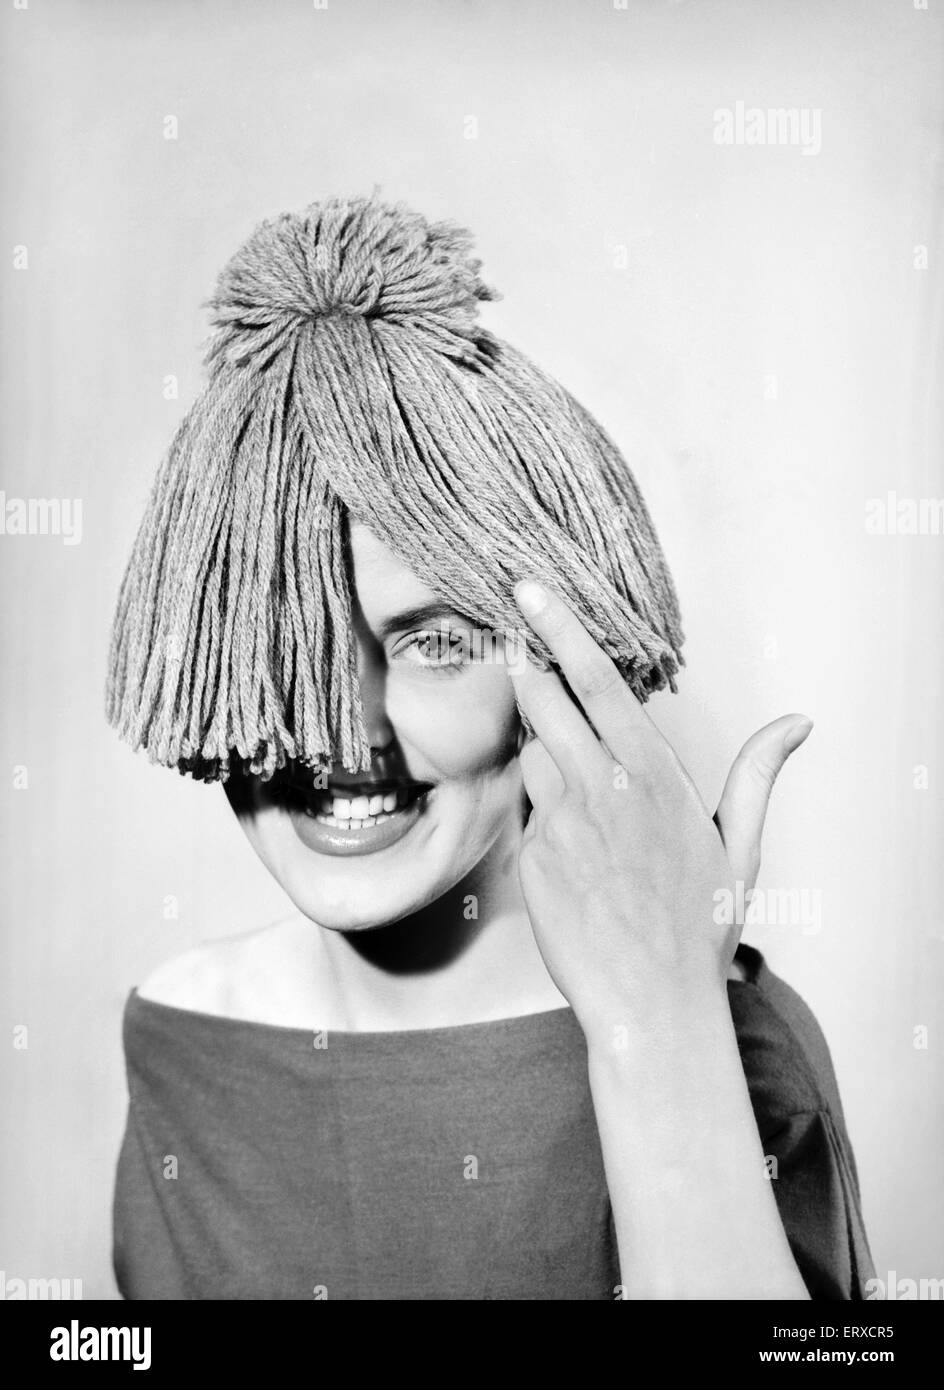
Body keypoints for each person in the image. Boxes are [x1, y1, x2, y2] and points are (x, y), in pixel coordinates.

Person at [108, 194, 874, 1300]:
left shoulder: (740, 1047)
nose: (341, 732)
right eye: (287, 644)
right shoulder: (182, 1035)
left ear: (562, 663)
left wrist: (660, 1035)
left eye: (430, 641)